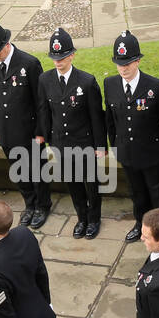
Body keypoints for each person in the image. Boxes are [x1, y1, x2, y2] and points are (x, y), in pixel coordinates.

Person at [35, 28, 105, 239]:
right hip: (61, 144)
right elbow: (44, 111)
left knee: (91, 183)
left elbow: (96, 118)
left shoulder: (86, 81)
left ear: (72, 55)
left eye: (62, 56)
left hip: (84, 143)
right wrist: (45, 137)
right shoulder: (45, 80)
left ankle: (94, 219)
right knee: (73, 184)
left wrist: (100, 146)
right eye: (54, 57)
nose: (58, 61)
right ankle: (81, 217)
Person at [0, 19, 49, 227]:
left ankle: (43, 205)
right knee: (19, 170)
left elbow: (41, 102)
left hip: (29, 131)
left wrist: (40, 131)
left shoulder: (29, 63)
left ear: (6, 44)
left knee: (37, 170)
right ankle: (30, 204)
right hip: (5, 130)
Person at [104, 31, 159, 244]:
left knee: (157, 194)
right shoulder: (110, 84)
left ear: (138, 61)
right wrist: (115, 145)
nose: (123, 68)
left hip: (151, 153)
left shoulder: (155, 87)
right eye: (119, 63)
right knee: (136, 193)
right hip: (127, 152)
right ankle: (141, 224)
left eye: (128, 63)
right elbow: (110, 119)